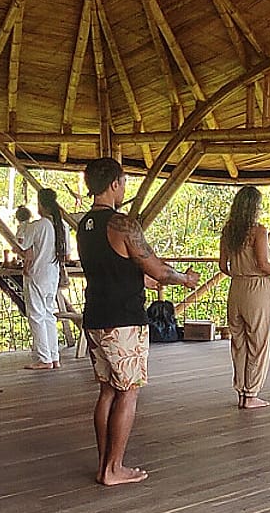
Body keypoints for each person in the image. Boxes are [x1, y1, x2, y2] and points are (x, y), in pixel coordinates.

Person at [76, 158, 199, 486]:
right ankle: (114, 468)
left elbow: (115, 268)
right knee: (128, 392)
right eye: (124, 182)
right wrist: (184, 279)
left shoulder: (84, 224)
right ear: (115, 184)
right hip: (124, 320)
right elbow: (156, 269)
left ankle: (105, 464)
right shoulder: (122, 225)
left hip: (95, 317)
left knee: (106, 392)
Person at [219, 186, 270, 409]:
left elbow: (222, 266)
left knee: (239, 342)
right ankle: (251, 394)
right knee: (259, 342)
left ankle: (241, 392)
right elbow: (263, 264)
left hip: (236, 288)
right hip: (257, 289)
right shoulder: (258, 231)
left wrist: (239, 272)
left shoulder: (228, 231)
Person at [20, 188, 67, 371]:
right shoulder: (61, 225)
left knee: (36, 316)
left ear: (40, 204)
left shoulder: (39, 225)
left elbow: (22, 242)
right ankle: (53, 356)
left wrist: (23, 223)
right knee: (48, 314)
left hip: (37, 274)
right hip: (52, 274)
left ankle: (44, 358)